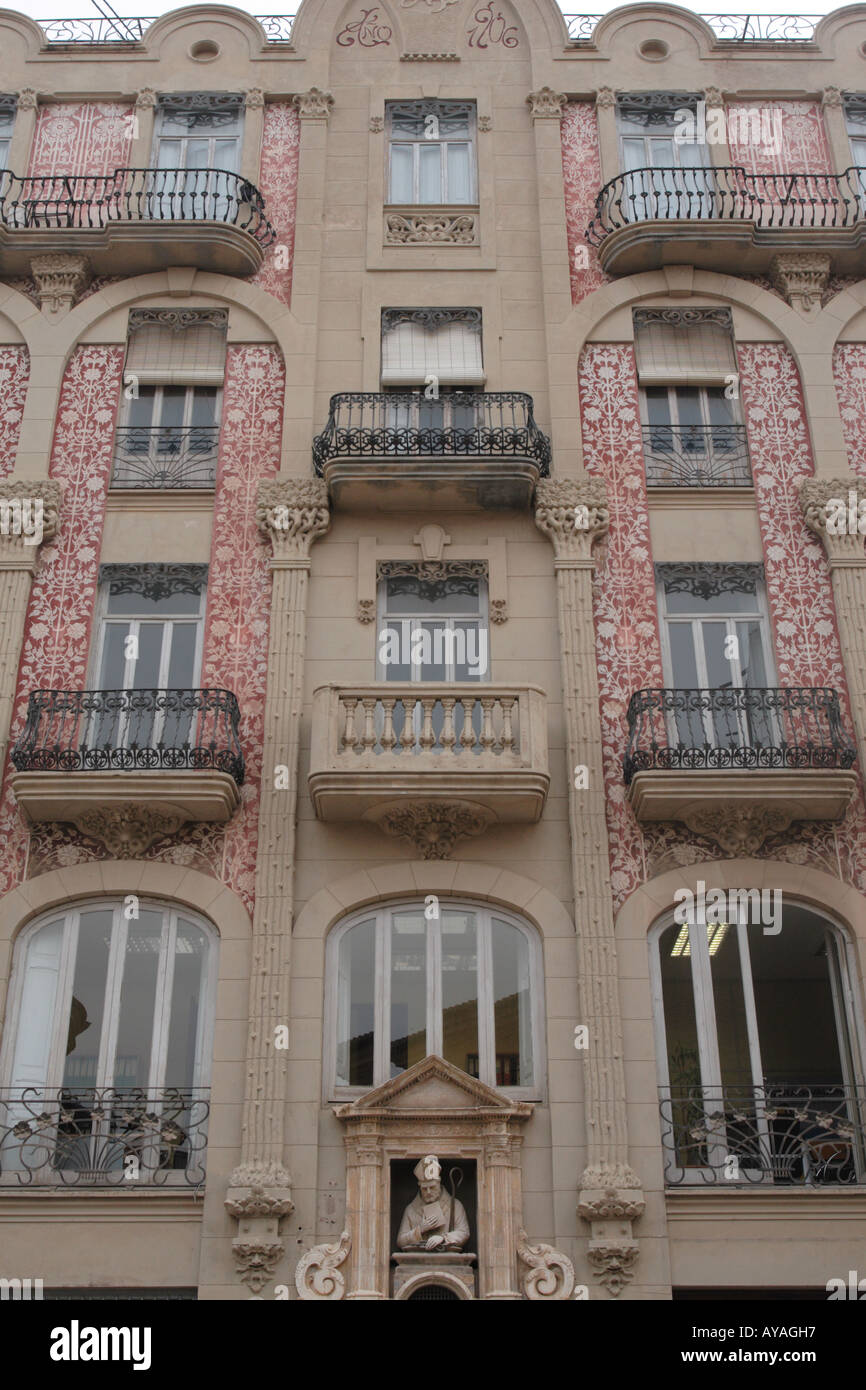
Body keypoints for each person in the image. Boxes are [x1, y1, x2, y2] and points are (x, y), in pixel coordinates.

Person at [396, 1155, 470, 1252]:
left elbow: (464, 1233)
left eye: (432, 1187)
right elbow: (401, 1241)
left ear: (439, 1184)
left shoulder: (455, 1205)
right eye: (424, 1188)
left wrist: (444, 1238)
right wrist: (420, 1230)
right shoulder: (410, 1209)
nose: (428, 1192)